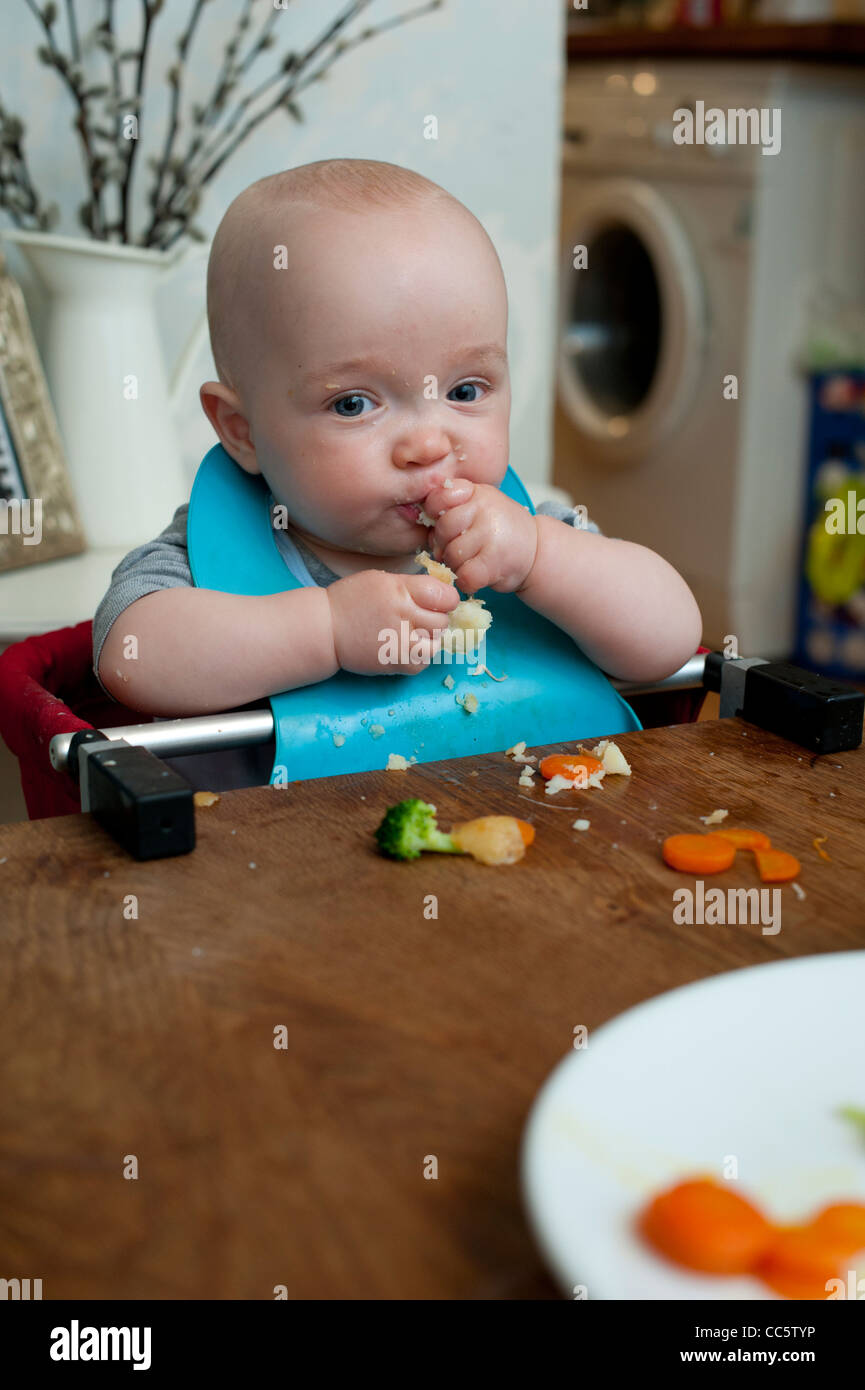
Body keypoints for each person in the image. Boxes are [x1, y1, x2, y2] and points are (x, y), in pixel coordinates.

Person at [92, 158, 701, 789]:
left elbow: (670, 639)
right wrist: (325, 631)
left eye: (466, 390)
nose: (428, 445)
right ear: (242, 430)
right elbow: (130, 657)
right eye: (353, 403)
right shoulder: (214, 554)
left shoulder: (527, 536)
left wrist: (541, 557)